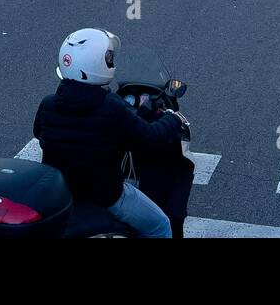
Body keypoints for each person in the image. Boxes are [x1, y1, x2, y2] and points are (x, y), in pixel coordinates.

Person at [32, 28, 187, 238]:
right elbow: (150, 138)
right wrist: (173, 118)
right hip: (106, 196)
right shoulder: (111, 107)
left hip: (60, 194)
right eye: (109, 57)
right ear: (101, 64)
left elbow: (39, 133)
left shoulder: (48, 104)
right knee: (160, 226)